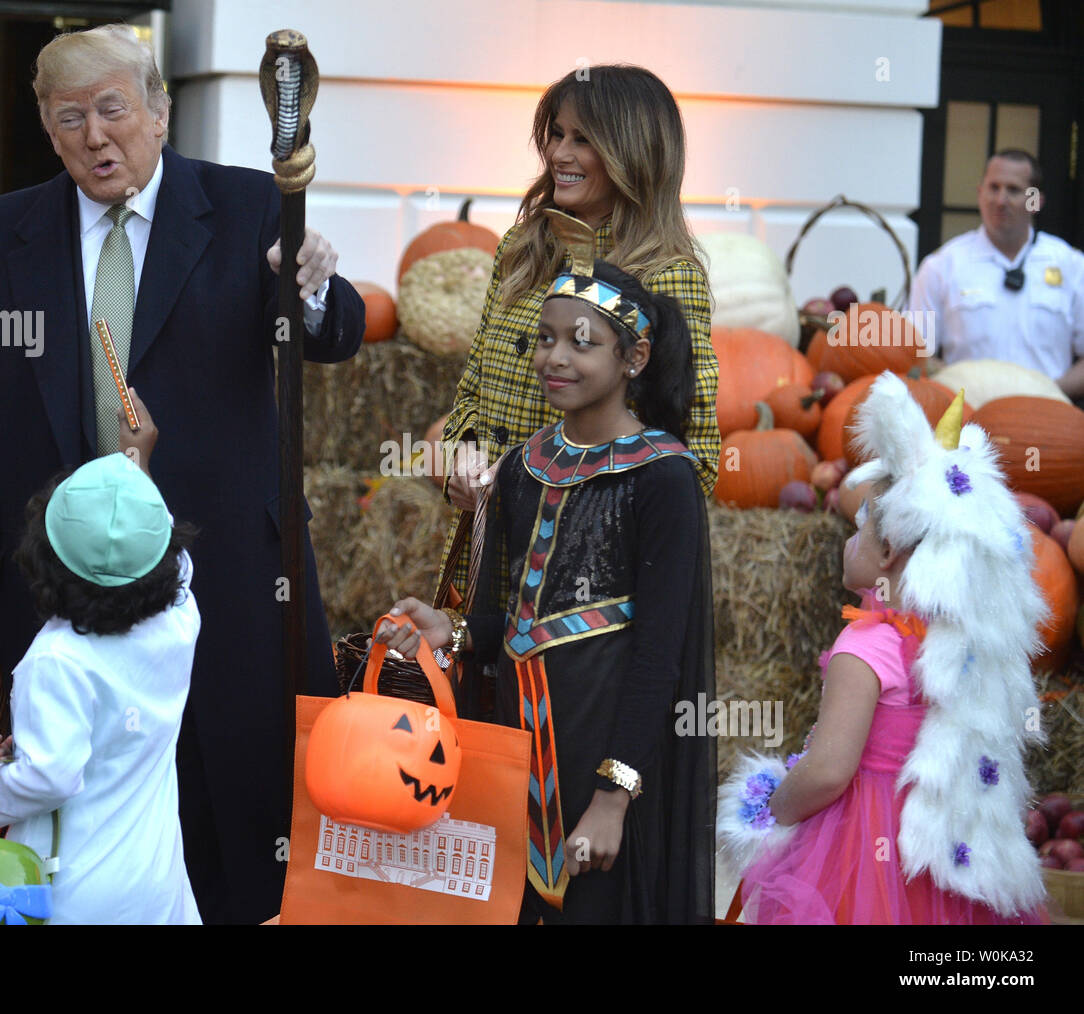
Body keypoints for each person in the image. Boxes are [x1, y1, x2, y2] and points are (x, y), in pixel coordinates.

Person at [0, 24, 365, 923]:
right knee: (72, 818)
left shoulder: (248, 209)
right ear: (46, 129)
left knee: (239, 813)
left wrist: (308, 284)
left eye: (113, 109)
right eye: (69, 117)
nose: (95, 137)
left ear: (160, 113)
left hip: (231, 583)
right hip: (59, 588)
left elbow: (338, 334)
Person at [375, 210, 715, 924]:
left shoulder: (663, 477)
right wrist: (455, 630)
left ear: (634, 359)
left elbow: (660, 654)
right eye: (545, 340)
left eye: (580, 343)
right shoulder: (526, 468)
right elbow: (522, 622)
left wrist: (614, 795)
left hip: (608, 746)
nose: (554, 358)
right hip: (522, 746)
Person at [720, 371, 1048, 924]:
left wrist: (772, 809)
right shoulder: (955, 641)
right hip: (937, 849)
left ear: (891, 549)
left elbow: (828, 770)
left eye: (860, 527)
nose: (849, 539)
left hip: (866, 849)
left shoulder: (864, 645)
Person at [438, 64, 720, 611]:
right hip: (484, 566)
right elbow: (471, 391)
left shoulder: (666, 275)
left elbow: (693, 456)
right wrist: (464, 457)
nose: (560, 154)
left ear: (633, 153)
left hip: (581, 586)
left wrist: (544, 493)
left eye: (583, 139)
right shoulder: (521, 248)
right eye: (557, 134)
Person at [0, 396, 200, 924]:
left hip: (71, 889)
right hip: (155, 883)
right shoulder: (178, 623)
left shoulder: (56, 658)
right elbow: (163, 550)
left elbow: (49, 777)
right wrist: (135, 462)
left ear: (43, 559)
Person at [909, 149, 1084, 398]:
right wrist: (961, 389)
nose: (1001, 200)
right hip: (966, 420)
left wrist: (1048, 394)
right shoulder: (940, 267)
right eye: (993, 188)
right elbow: (915, 353)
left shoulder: (1072, 266)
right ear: (980, 194)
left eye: (1013, 190)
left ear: (1035, 201)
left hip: (1049, 420)